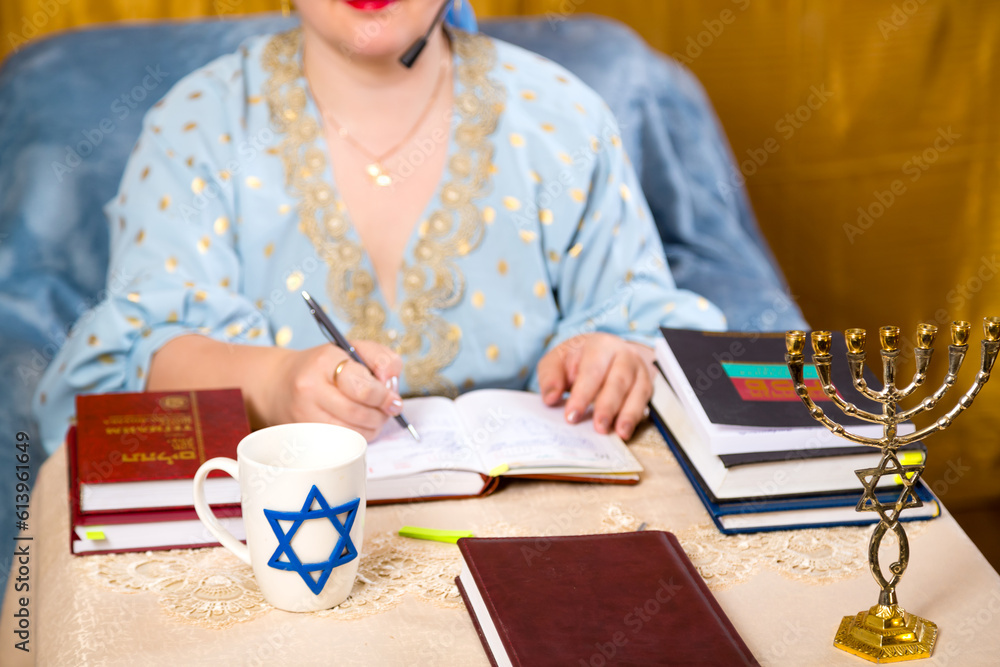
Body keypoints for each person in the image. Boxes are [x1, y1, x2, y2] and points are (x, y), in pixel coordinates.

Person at [32, 0, 725, 454]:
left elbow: (642, 320)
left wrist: (614, 356)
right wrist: (274, 382)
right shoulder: (198, 129)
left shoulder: (564, 119)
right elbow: (134, 357)